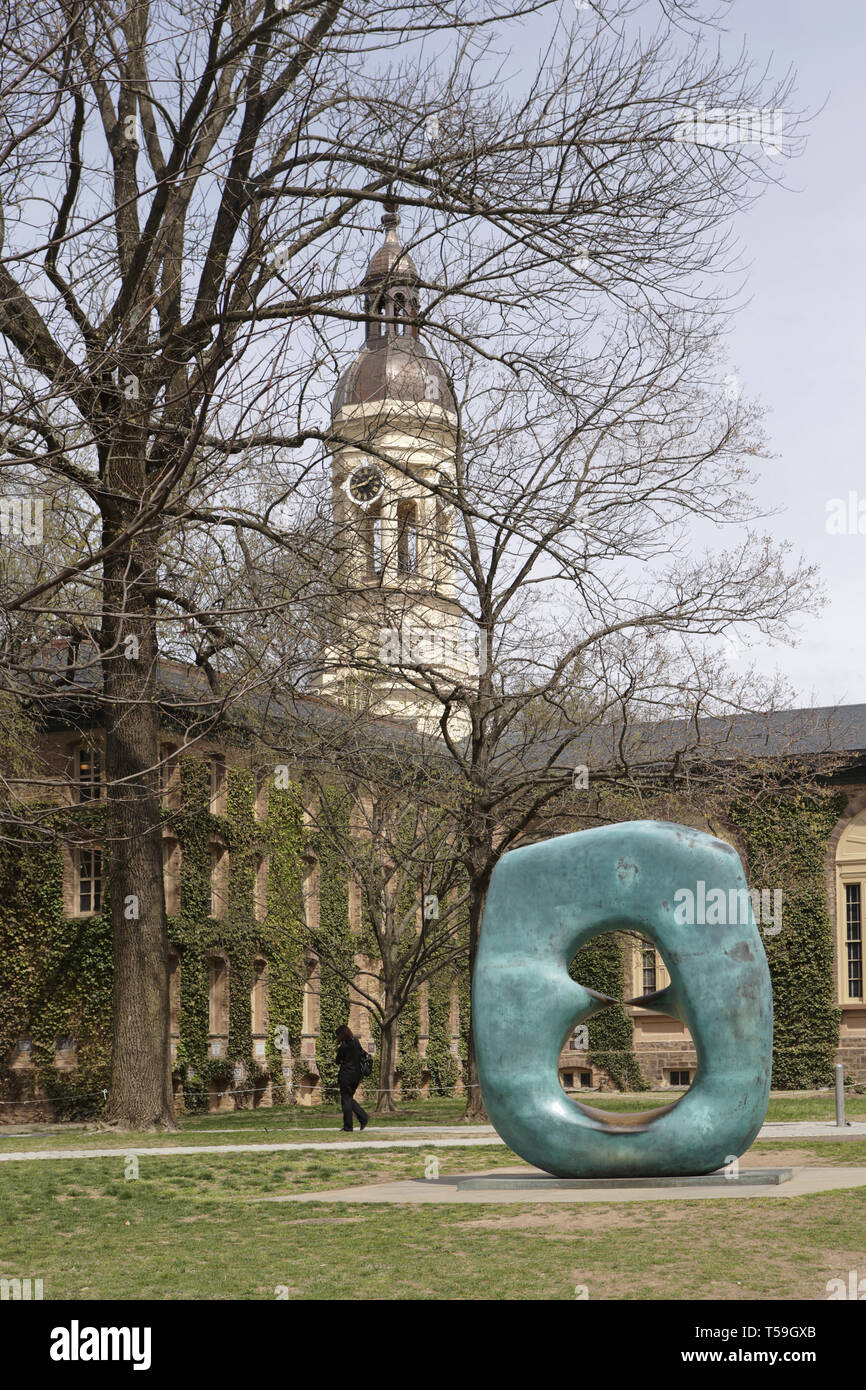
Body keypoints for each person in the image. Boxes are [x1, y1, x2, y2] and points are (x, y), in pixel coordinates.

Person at [335, 1024, 370, 1133]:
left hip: (346, 1076)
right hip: (357, 1075)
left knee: (346, 1100)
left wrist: (342, 1061)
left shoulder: (344, 1047)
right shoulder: (356, 1042)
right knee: (348, 1099)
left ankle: (349, 1126)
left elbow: (337, 1061)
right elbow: (361, 1055)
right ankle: (362, 1118)